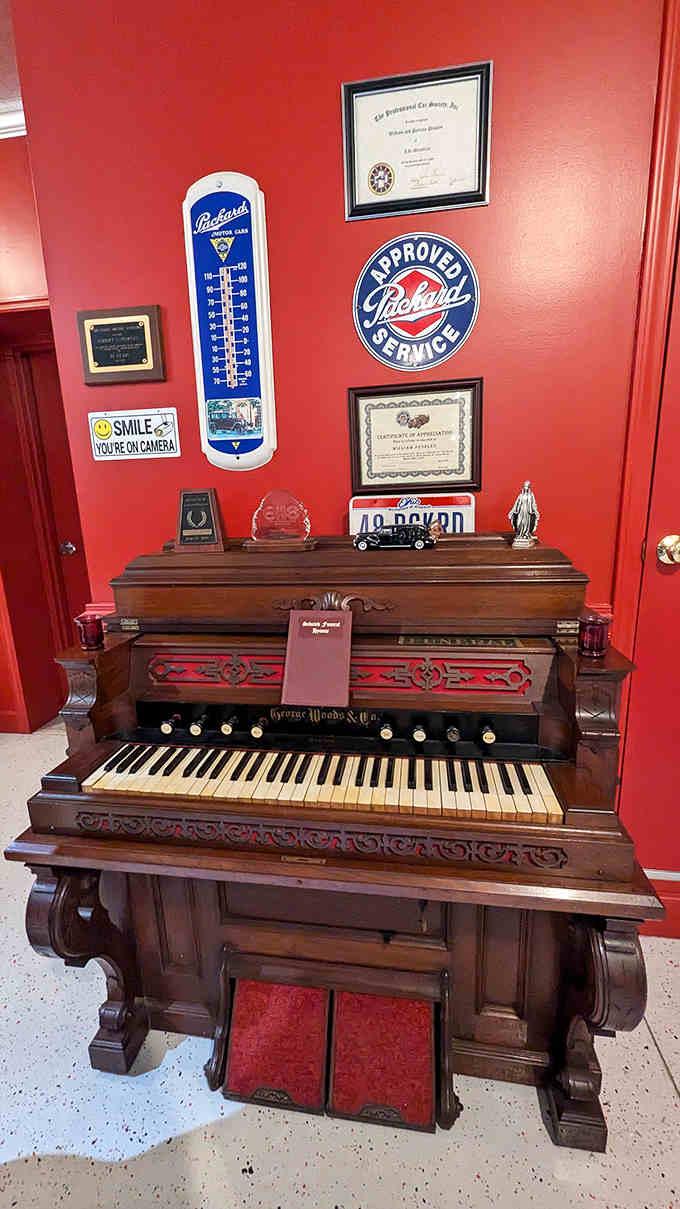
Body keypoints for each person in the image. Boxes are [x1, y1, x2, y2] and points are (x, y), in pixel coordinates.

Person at [508, 481, 539, 546]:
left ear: (528, 488)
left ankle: (525, 534)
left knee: (526, 524)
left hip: (527, 512)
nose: (525, 488)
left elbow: (534, 504)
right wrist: (512, 511)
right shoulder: (520, 496)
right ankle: (520, 534)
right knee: (519, 523)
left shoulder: (531, 496)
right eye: (524, 487)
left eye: (527, 487)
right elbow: (516, 504)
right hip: (521, 511)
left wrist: (536, 511)